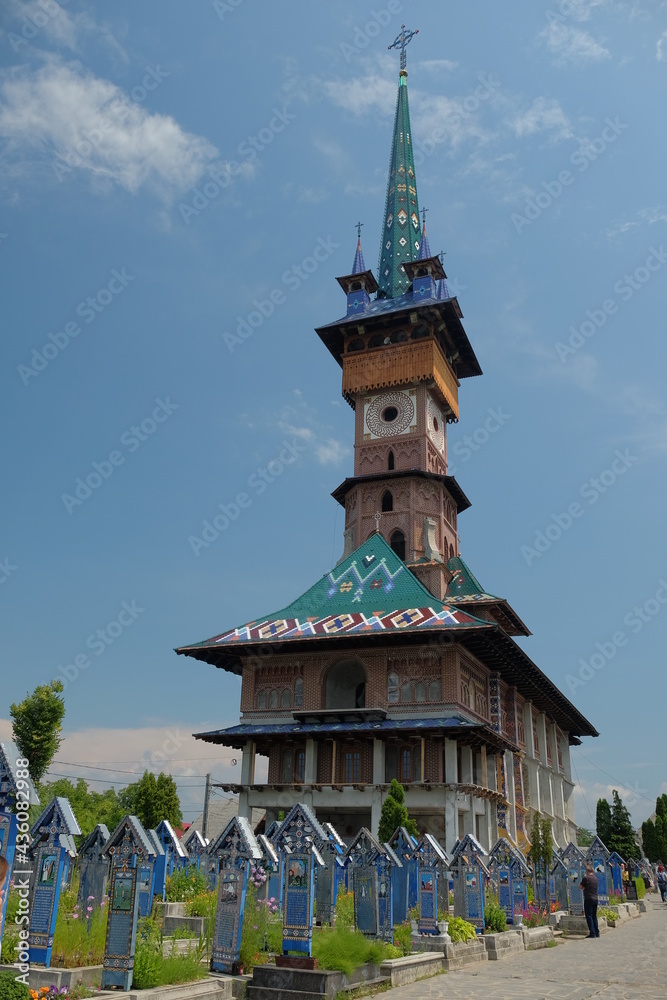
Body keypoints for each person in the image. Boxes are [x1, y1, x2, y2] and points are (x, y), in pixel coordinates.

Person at [580, 862, 600, 938]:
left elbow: (580, 887)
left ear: (587, 871)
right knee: (594, 916)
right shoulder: (595, 879)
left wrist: (584, 887)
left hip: (588, 898)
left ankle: (592, 933)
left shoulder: (586, 878)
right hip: (595, 898)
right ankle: (597, 932)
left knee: (589, 915)